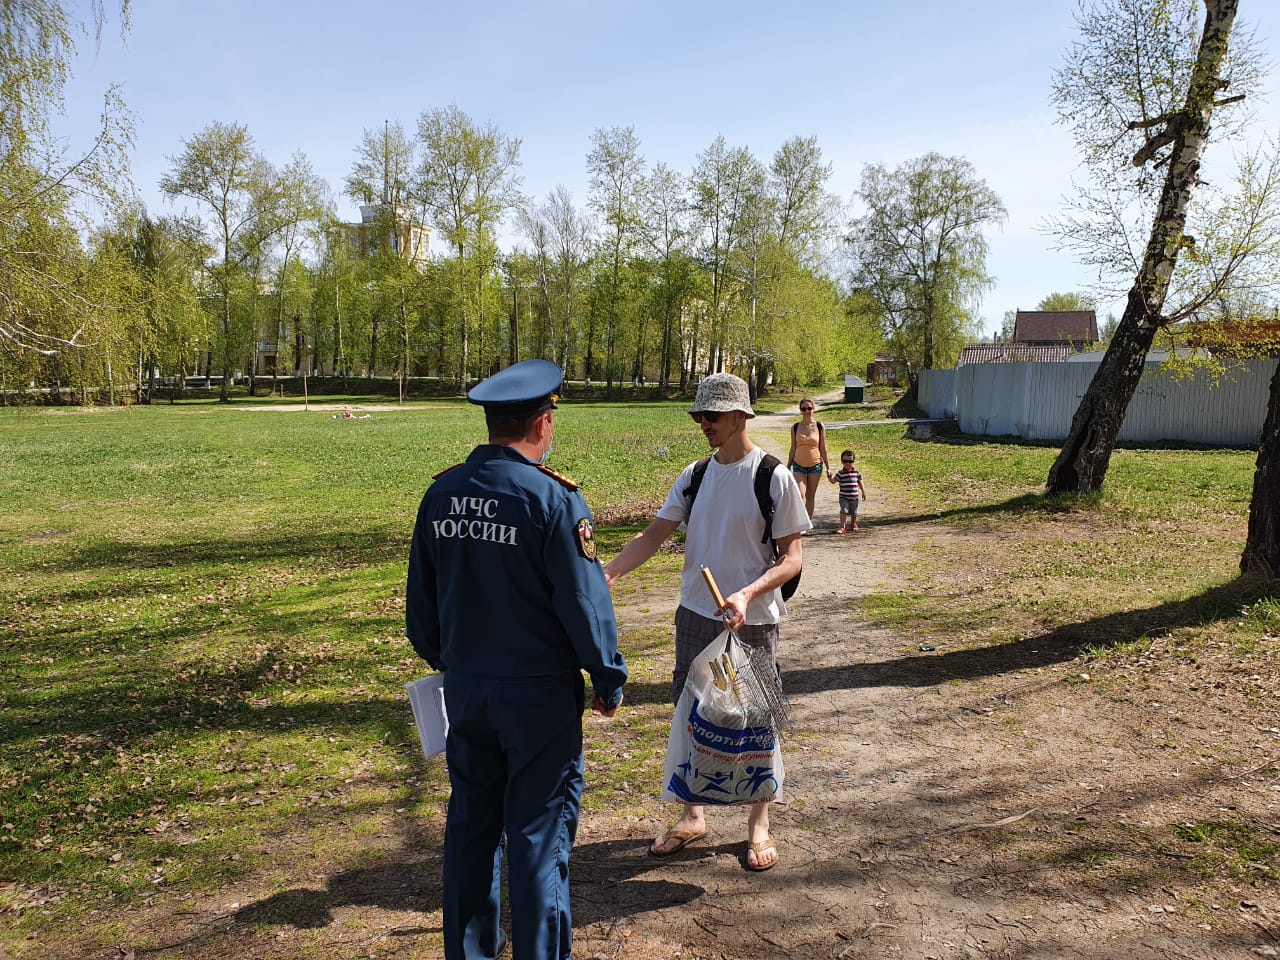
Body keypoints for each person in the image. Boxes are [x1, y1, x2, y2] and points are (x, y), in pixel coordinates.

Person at [405, 358, 627, 960]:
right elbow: (585, 604)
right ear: (543, 423)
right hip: (538, 700)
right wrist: (607, 676)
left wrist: (452, 660)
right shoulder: (553, 500)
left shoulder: (441, 493)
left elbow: (421, 607)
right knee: (537, 836)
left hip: (468, 691)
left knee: (472, 830)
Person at [603, 373, 809, 872]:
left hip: (753, 621)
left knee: (757, 718)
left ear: (741, 416)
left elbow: (791, 560)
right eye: (699, 416)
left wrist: (747, 592)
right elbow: (654, 534)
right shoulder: (695, 474)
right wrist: (606, 574)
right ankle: (693, 815)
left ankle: (759, 823)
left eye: (711, 415)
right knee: (690, 713)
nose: (704, 425)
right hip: (695, 615)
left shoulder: (772, 477)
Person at [785, 398, 828, 524]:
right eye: (803, 408)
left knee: (810, 496)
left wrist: (828, 467)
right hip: (798, 465)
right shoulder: (795, 427)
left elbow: (823, 448)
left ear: (813, 409)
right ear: (800, 410)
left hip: (815, 465)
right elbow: (793, 447)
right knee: (800, 494)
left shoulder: (819, 426)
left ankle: (807, 523)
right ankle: (799, 523)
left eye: (809, 408)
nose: (807, 411)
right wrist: (788, 466)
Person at [828, 449, 868, 533]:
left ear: (853, 461)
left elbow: (860, 482)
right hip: (844, 497)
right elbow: (833, 481)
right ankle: (842, 527)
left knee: (854, 512)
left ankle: (853, 523)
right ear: (842, 461)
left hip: (854, 497)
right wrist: (830, 477)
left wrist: (863, 491)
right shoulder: (840, 473)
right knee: (844, 510)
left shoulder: (856, 473)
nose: (847, 463)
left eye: (850, 461)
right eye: (845, 461)